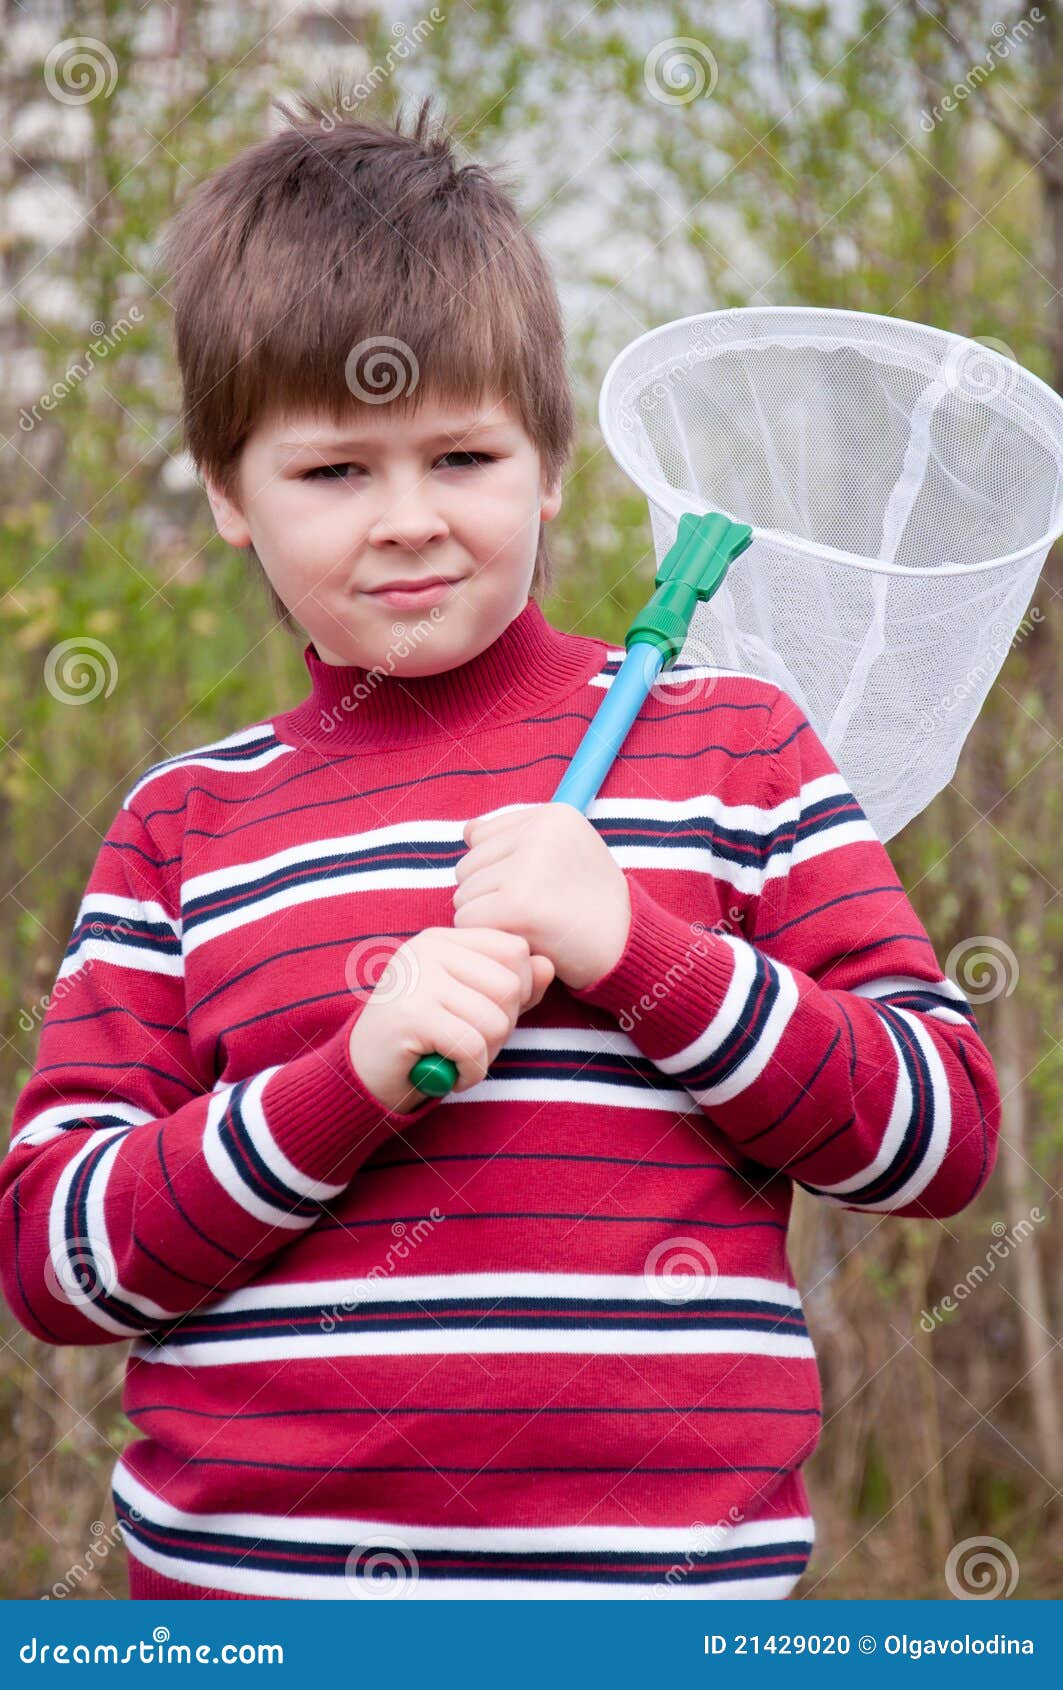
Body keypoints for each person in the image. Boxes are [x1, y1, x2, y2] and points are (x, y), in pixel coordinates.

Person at [0, 90, 1001, 1601]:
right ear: (225, 495)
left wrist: (645, 954)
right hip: (254, 1618)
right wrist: (343, 1085)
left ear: (551, 463)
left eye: (462, 456)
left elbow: (943, 1132)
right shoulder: (183, 825)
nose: (409, 519)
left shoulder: (737, 750)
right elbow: (54, 1259)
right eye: (335, 472)